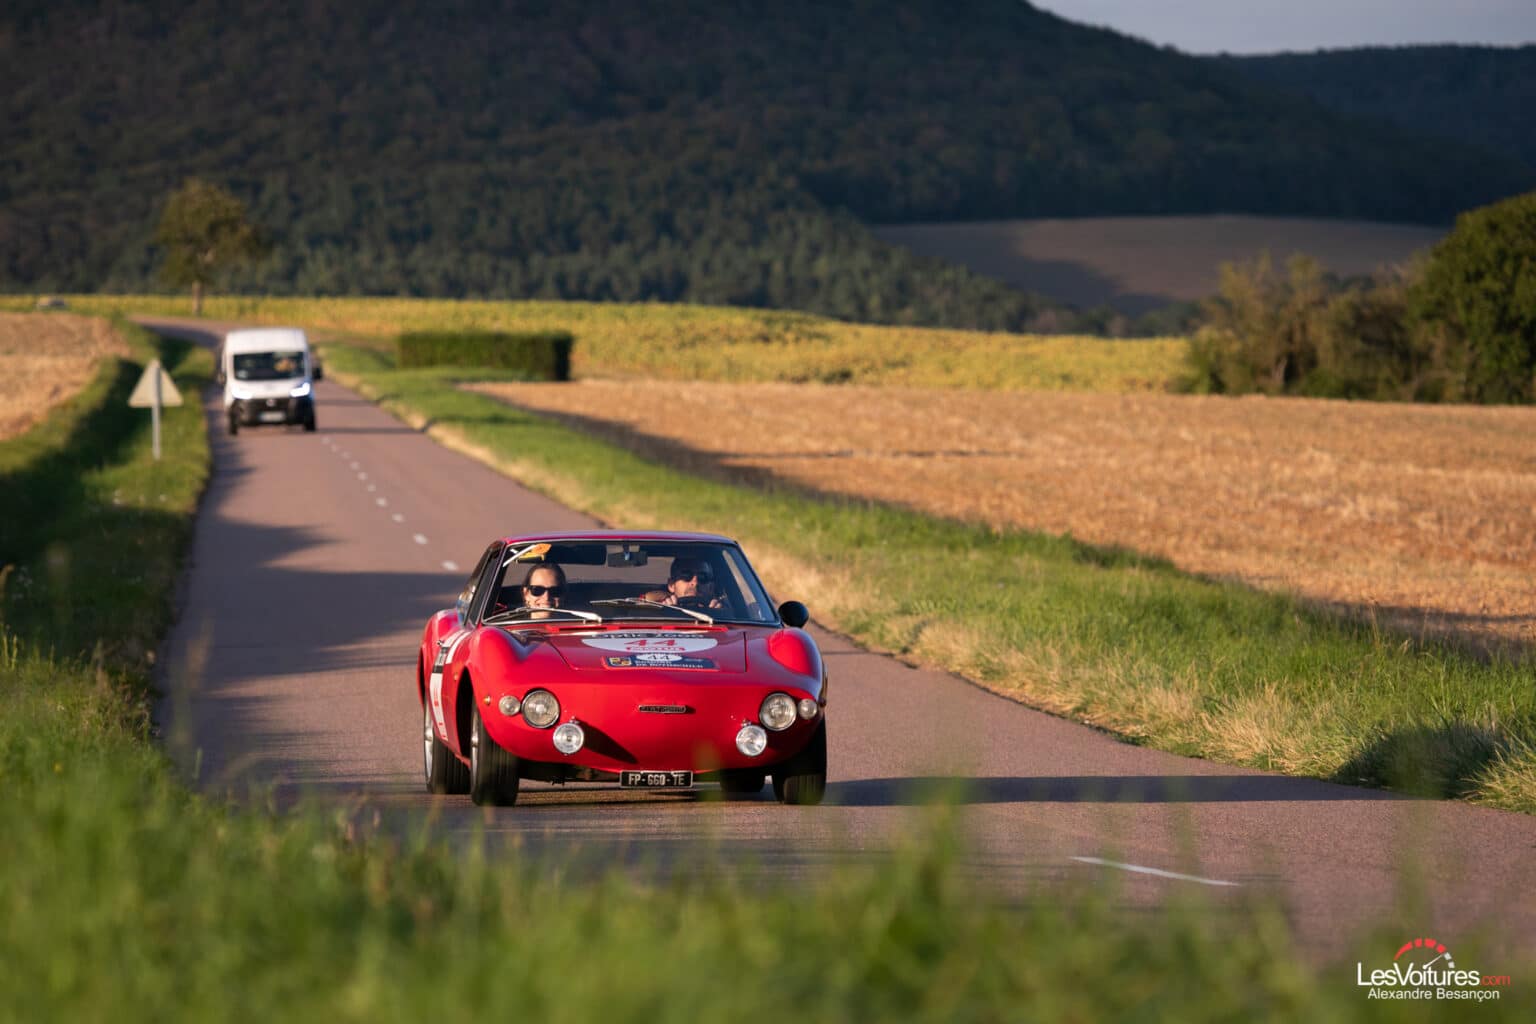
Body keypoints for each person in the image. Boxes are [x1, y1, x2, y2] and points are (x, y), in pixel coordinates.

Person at [643, 556, 728, 611]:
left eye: (703, 577)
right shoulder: (656, 610)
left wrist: (720, 615)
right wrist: (665, 610)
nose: (695, 582)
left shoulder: (724, 612)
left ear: (711, 587)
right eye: (686, 576)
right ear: (671, 585)